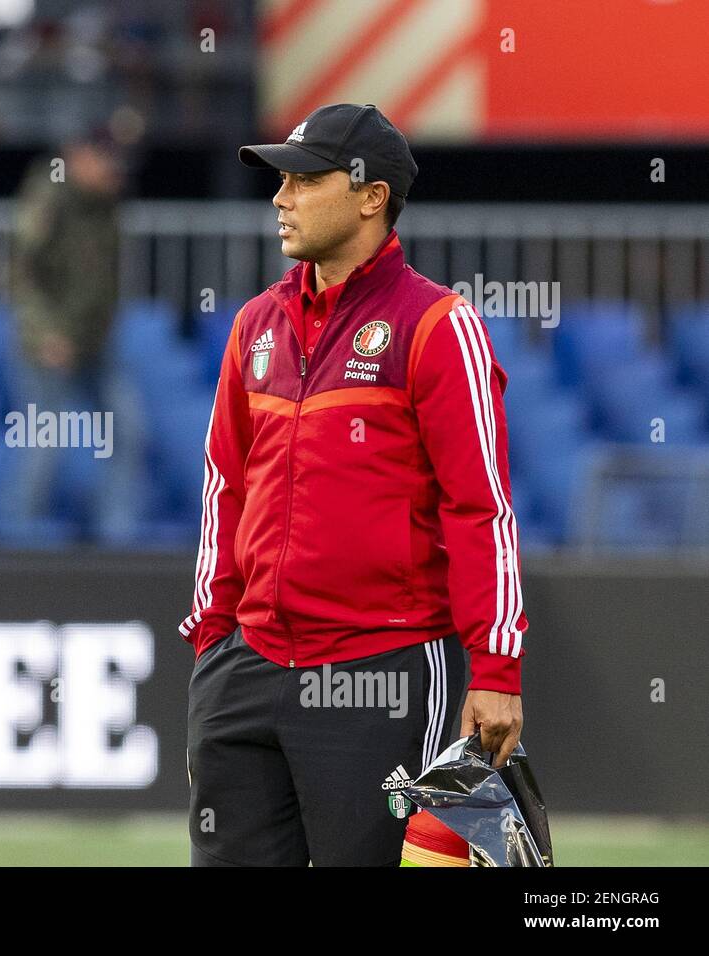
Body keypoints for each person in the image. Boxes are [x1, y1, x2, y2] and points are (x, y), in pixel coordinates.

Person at [181, 103, 527, 867]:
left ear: (373, 196)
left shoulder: (440, 325)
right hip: (248, 666)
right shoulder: (254, 326)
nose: (281, 197)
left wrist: (496, 668)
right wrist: (214, 638)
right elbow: (224, 489)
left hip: (385, 671)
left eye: (305, 179)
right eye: (281, 181)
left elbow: (482, 508)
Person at [9, 130, 145, 541]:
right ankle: (17, 542)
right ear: (77, 156)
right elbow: (19, 271)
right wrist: (45, 332)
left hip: (95, 342)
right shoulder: (48, 196)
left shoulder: (106, 202)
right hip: (47, 344)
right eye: (104, 161)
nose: (112, 172)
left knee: (128, 430)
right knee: (42, 441)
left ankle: (117, 537)